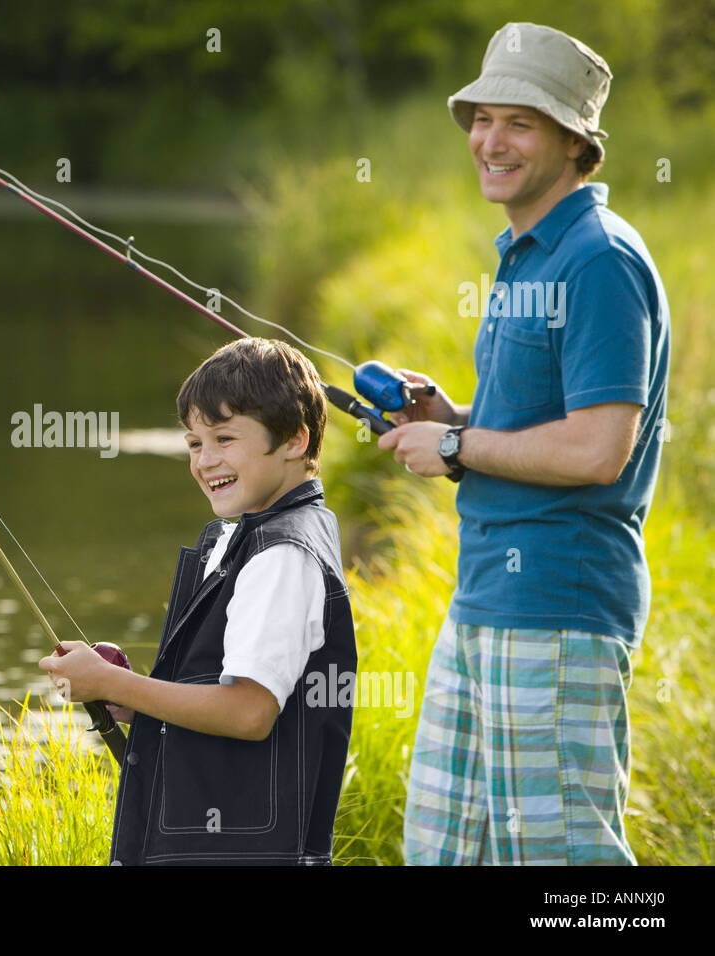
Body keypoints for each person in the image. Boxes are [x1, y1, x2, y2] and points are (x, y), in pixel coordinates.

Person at [379, 23, 670, 865]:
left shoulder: (599, 262)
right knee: (442, 850)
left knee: (565, 866)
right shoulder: (527, 254)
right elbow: (546, 423)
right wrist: (453, 417)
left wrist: (459, 450)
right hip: (484, 604)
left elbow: (596, 450)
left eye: (520, 123)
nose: (489, 141)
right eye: (481, 118)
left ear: (577, 144)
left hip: (558, 608)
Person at [40, 337, 356, 865]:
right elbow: (223, 685)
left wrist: (115, 682)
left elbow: (248, 711)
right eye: (193, 442)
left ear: (296, 440)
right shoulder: (259, 532)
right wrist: (133, 698)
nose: (206, 460)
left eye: (225, 438)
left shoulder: (280, 556)